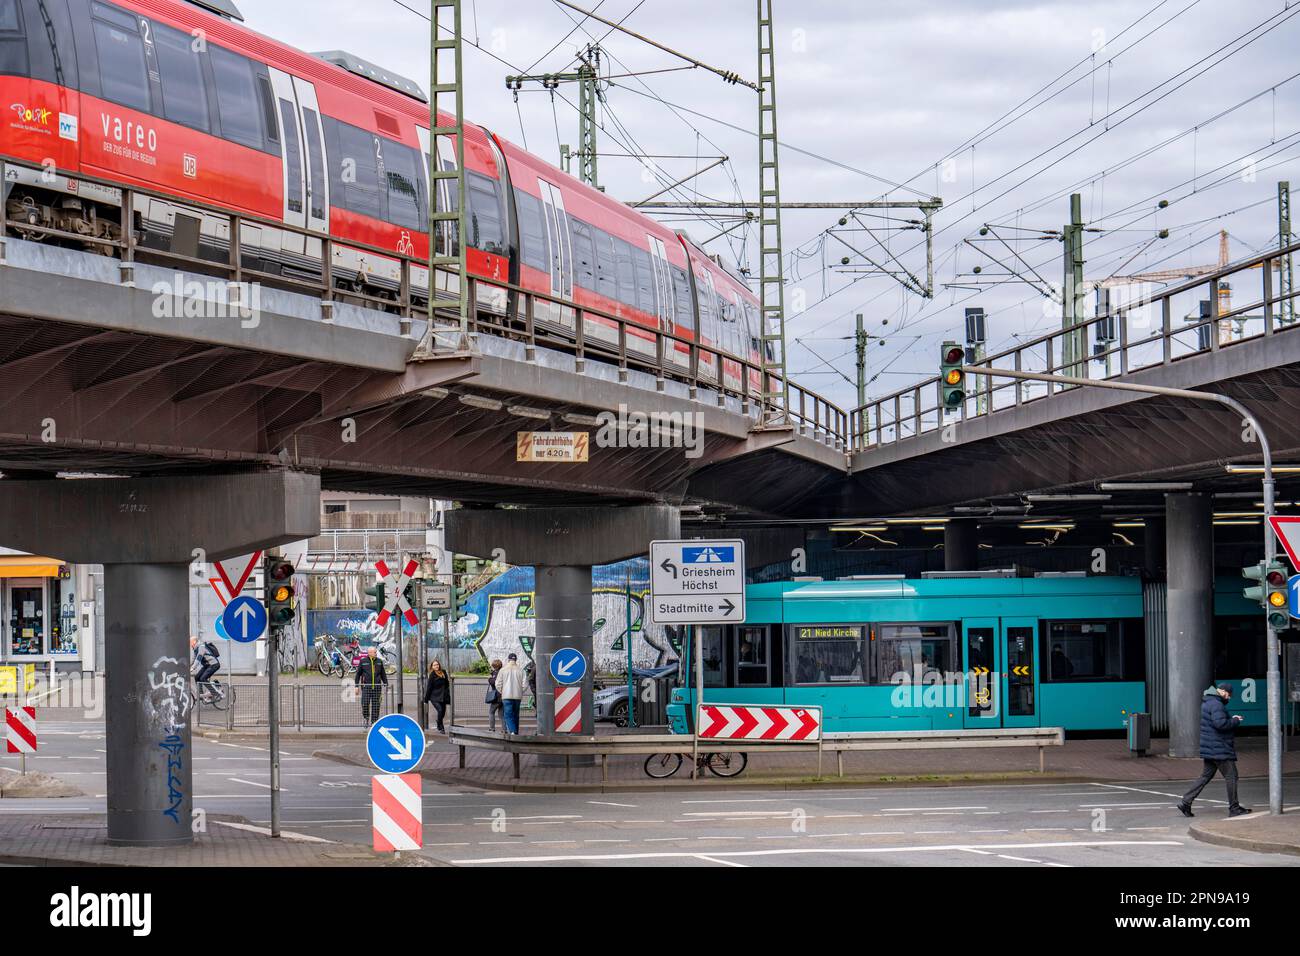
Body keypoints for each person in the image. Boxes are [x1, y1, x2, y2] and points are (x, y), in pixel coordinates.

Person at [1178, 684, 1250, 818]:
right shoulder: (1217, 704)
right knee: (1232, 776)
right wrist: (1234, 720)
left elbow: (1216, 722)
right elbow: (1220, 724)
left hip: (1211, 747)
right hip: (1219, 748)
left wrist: (1230, 719)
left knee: (1205, 776)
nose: (1229, 697)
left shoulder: (1208, 702)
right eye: (1228, 694)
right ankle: (1234, 808)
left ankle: (1186, 802)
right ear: (1222, 691)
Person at [355, 646, 388, 727]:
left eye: (376, 652)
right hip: (366, 687)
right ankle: (366, 718)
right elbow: (358, 674)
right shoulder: (363, 661)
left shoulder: (379, 661)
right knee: (365, 704)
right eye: (375, 652)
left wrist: (386, 683)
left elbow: (383, 674)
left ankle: (374, 722)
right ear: (369, 653)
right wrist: (356, 686)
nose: (376, 653)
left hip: (377, 688)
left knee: (376, 706)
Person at [496, 653, 528, 735]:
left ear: (508, 660)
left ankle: (513, 731)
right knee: (516, 715)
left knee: (508, 714)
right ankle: (515, 731)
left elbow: (498, 684)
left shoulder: (503, 670)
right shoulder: (522, 670)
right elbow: (525, 685)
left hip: (506, 696)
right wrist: (520, 691)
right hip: (517, 696)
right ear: (516, 660)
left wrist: (502, 691)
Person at [423, 659, 451, 734]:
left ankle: (438, 721)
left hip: (443, 697)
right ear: (432, 666)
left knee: (443, 713)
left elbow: (447, 683)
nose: (436, 666)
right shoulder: (432, 675)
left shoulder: (443, 672)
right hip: (434, 697)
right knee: (440, 710)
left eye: (437, 664)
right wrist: (426, 700)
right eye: (434, 665)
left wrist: (447, 692)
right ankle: (440, 726)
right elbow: (429, 687)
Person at [190, 636, 221, 702]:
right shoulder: (195, 648)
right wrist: (187, 666)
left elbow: (198, 658)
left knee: (203, 678)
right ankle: (201, 694)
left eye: (191, 642)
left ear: (194, 641)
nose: (190, 644)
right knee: (197, 677)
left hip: (214, 664)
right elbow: (193, 659)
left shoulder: (201, 647)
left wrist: (192, 668)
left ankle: (216, 694)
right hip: (207, 665)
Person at [485, 659, 504, 732]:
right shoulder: (502, 672)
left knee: (491, 712)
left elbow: (493, 682)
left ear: (495, 666)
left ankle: (492, 728)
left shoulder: (497, 673)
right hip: (503, 696)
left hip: (496, 696)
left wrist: (489, 679)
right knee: (501, 715)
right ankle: (504, 729)